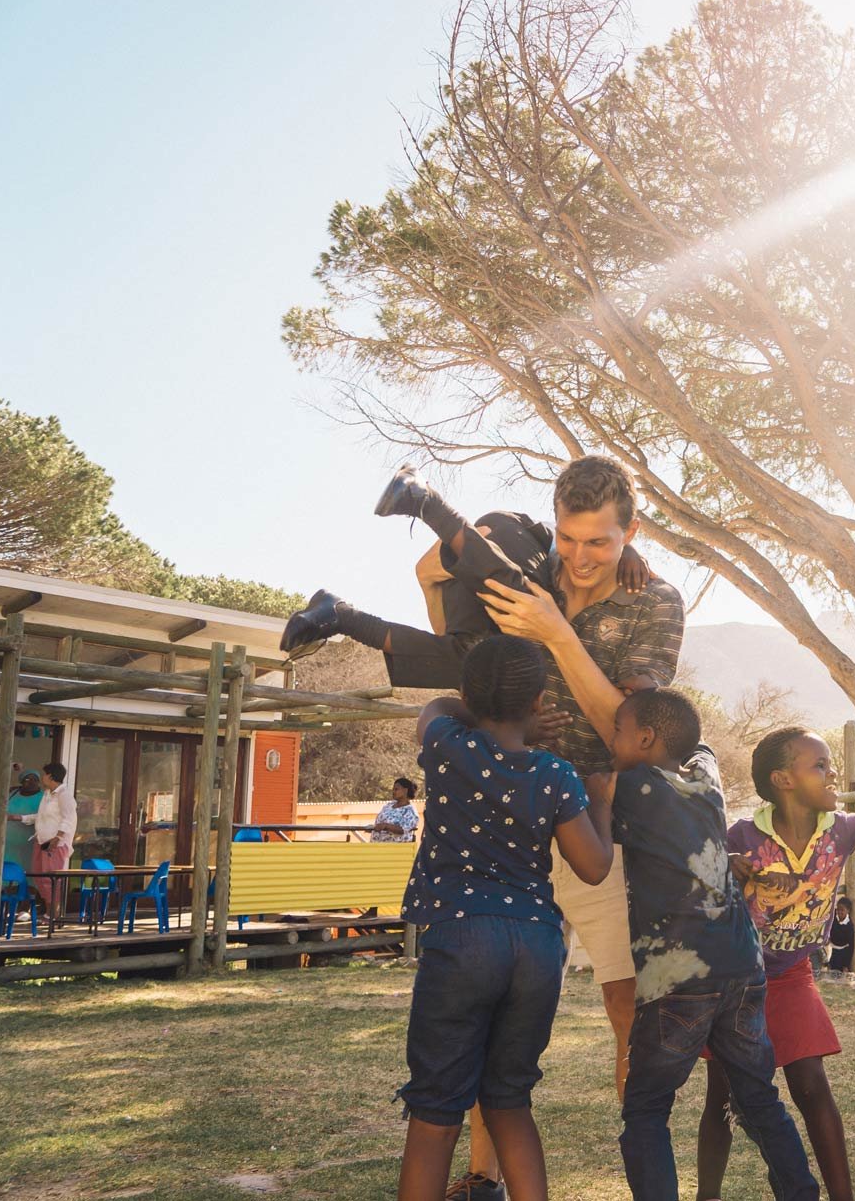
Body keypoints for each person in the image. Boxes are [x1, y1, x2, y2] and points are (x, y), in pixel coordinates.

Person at [283, 457, 682, 1200]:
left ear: (633, 533)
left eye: (601, 544)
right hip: (511, 832)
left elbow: (632, 732)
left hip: (596, 819)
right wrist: (443, 579)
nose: (582, 559)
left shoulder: (653, 603)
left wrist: (559, 634)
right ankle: (479, 1180)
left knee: (625, 1005)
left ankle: (645, 1177)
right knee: (488, 1018)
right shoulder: (529, 569)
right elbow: (454, 632)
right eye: (571, 538)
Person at [393, 635, 615, 1201]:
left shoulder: (447, 746)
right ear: (541, 701)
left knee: (437, 1109)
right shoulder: (557, 774)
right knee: (510, 1099)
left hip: (463, 935)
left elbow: (434, 710)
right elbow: (592, 867)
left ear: (470, 693)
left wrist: (484, 711)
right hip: (537, 945)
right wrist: (604, 805)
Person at [604, 689, 819, 1201]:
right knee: (759, 1099)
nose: (610, 740)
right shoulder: (707, 779)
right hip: (742, 969)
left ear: (646, 739)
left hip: (678, 978)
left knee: (647, 1107)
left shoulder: (631, 788)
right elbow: (703, 750)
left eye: (616, 731)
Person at [698, 727, 855, 1201]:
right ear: (783, 779)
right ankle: (707, 1195)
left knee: (811, 1084)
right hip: (736, 981)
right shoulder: (740, 835)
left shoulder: (843, 828)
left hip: (792, 975)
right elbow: (696, 869)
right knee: (722, 1094)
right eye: (819, 764)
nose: (831, 771)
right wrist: (726, 864)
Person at [12, 763, 75, 908]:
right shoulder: (47, 794)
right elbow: (41, 816)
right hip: (41, 841)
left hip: (54, 844)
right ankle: (48, 909)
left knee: (50, 878)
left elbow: (68, 818)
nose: (42, 777)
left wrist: (57, 838)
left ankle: (52, 913)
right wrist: (19, 818)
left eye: (44, 774)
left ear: (51, 776)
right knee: (39, 876)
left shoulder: (64, 795)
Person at [5, 769, 43, 866]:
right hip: (7, 845)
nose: (32, 782)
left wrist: (19, 817)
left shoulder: (44, 797)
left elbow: (45, 817)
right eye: (27, 780)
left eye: (35, 779)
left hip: (29, 845)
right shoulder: (12, 794)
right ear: (21, 782)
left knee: (27, 873)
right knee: (7, 872)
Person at [371, 776, 421, 842]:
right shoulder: (389, 805)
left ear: (405, 790)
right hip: (376, 847)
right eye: (393, 789)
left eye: (396, 789)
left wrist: (386, 826)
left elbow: (402, 830)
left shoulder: (410, 812)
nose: (393, 792)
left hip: (395, 850)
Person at [826, 897, 855, 973]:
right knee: (831, 973)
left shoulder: (849, 926)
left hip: (844, 954)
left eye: (842, 910)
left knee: (842, 976)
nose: (839, 912)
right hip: (833, 951)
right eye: (838, 909)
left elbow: (851, 946)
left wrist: (846, 965)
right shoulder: (833, 918)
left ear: (848, 911)